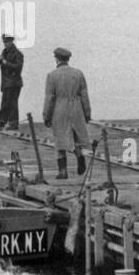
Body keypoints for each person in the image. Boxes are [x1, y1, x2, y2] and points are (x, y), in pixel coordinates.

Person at [43, 47, 91, 178]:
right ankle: (79, 157)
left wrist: (46, 116)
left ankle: (62, 172)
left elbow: (50, 97)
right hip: (76, 108)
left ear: (57, 59)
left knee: (60, 140)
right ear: (68, 59)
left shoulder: (52, 75)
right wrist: (87, 113)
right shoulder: (78, 73)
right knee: (76, 137)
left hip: (60, 109)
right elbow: (84, 95)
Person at [0, 34, 24, 130]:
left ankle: (13, 123)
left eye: (6, 42)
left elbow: (18, 67)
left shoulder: (18, 54)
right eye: (4, 42)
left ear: (11, 42)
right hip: (6, 82)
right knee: (5, 102)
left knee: (12, 103)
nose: (5, 44)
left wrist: (6, 63)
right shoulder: (5, 52)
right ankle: (2, 121)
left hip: (14, 83)